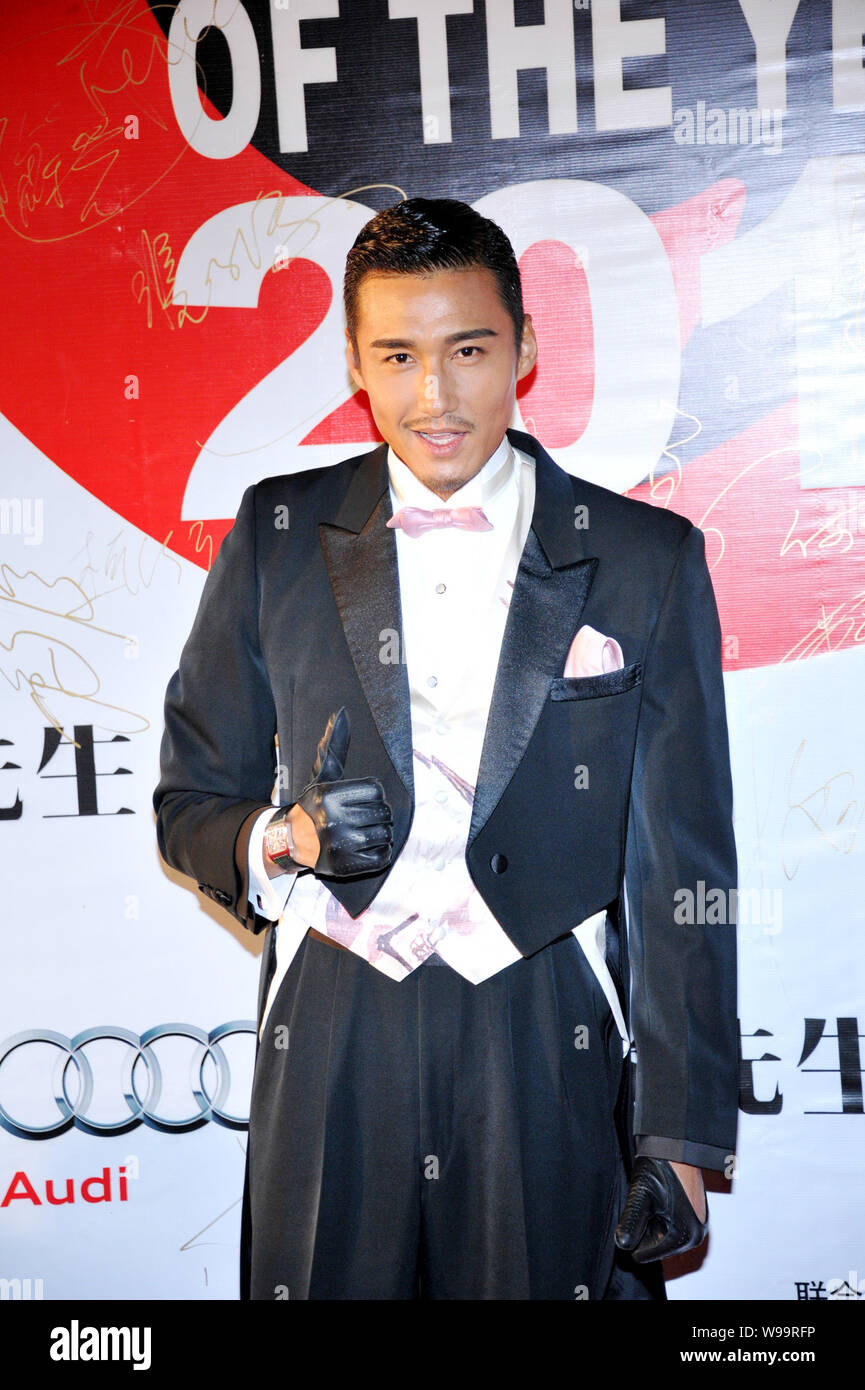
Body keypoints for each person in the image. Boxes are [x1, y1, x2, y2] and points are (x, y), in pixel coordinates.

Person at [154, 197, 738, 1301]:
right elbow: (191, 803)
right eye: (398, 356)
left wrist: (680, 1129)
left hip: (543, 1015)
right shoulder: (275, 536)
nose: (433, 396)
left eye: (467, 350)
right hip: (333, 1010)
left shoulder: (642, 556)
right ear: (353, 364)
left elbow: (684, 875)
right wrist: (283, 838)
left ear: (523, 347)